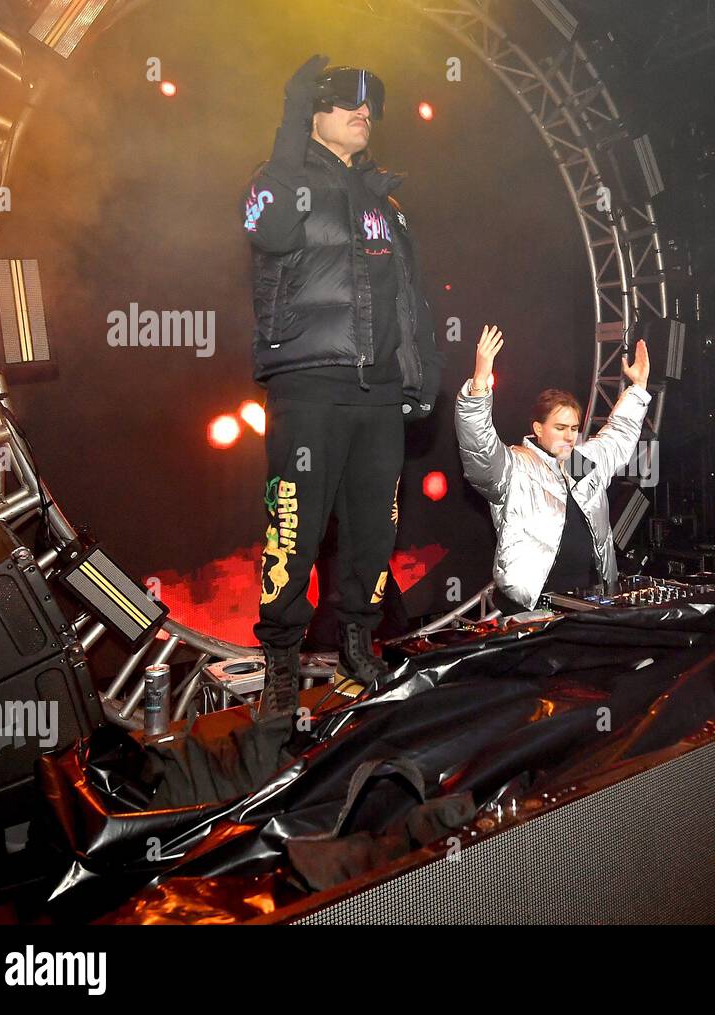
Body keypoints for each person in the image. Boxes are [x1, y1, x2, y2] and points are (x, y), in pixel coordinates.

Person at [242, 56, 442, 718]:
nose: (366, 109)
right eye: (347, 98)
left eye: (373, 100)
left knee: (373, 533)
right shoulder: (282, 181)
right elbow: (267, 229)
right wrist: (289, 120)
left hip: (377, 391)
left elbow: (409, 301)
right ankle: (281, 662)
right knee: (294, 526)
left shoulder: (390, 203)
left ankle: (359, 639)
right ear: (313, 112)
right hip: (309, 383)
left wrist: (420, 375)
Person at [455, 325, 651, 613]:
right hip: (531, 605)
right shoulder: (516, 465)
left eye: (573, 428)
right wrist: (479, 383)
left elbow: (618, 436)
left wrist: (638, 388)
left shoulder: (581, 461)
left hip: (589, 598)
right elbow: (480, 449)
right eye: (560, 428)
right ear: (538, 428)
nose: (570, 435)